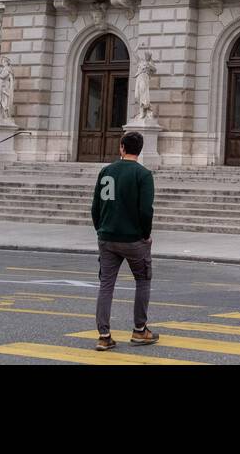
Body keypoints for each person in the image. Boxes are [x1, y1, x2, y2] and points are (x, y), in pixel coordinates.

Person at [91, 131, 158, 350]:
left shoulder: (106, 171)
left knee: (106, 285)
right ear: (140, 150)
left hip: (107, 237)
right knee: (143, 280)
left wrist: (101, 230)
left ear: (122, 147)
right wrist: (145, 234)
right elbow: (146, 210)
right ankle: (140, 330)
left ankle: (104, 334)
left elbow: (95, 208)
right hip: (133, 239)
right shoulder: (143, 175)